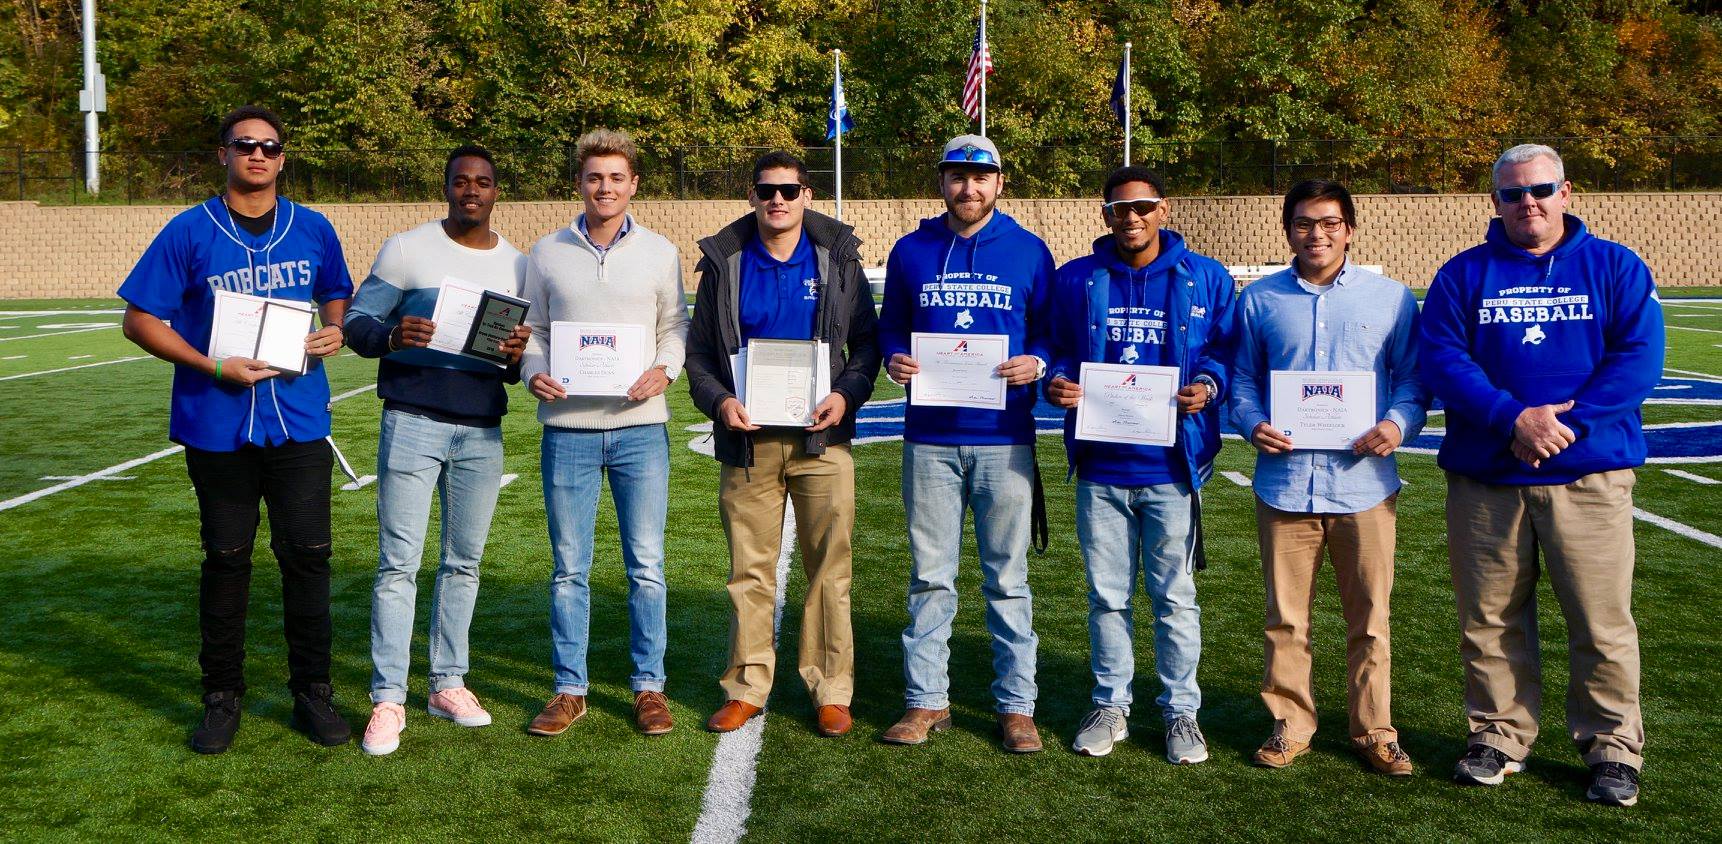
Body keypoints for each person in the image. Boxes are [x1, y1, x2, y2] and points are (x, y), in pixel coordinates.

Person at [1420, 144, 1664, 807]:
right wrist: (1511, 419)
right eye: (1512, 194)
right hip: (1486, 478)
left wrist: (1568, 425)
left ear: (1567, 192)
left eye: (1541, 190)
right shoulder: (1462, 274)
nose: (1527, 203)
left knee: (1601, 620)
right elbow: (1442, 356)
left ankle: (1613, 749)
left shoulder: (1615, 266)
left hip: (1587, 475)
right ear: (1493, 202)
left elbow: (1639, 359)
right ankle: (1498, 735)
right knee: (1489, 618)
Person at [117, 105, 354, 753]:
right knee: (226, 560)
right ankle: (222, 698)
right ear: (222, 153)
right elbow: (140, 319)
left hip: (299, 417)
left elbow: (338, 289)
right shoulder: (188, 231)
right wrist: (209, 363)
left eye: (270, 147)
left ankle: (314, 693)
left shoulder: (312, 226)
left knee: (308, 558)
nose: (258, 155)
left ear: (283, 158)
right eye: (244, 144)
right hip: (217, 421)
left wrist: (334, 326)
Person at [1228, 179, 1427, 775]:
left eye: (1330, 223)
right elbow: (1241, 380)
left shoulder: (1391, 299)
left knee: (1370, 618)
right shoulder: (1260, 300)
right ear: (1287, 229)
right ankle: (1291, 724)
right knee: (1285, 617)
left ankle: (1375, 732)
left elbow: (1414, 380)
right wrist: (1252, 422)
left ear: (1351, 228)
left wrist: (1396, 425)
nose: (1317, 234)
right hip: (1285, 484)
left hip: (1363, 485)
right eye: (1305, 223)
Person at [683, 150, 880, 737]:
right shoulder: (726, 260)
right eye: (767, 190)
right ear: (751, 196)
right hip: (749, 441)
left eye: (789, 191)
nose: (778, 200)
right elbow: (697, 356)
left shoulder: (837, 258)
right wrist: (720, 401)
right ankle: (747, 686)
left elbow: (867, 347)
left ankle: (830, 688)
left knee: (829, 569)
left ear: (807, 196)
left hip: (823, 440)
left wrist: (845, 395)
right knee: (750, 571)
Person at [344, 145, 531, 756]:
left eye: (482, 182)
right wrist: (392, 335)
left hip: (480, 428)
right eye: (460, 181)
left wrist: (514, 356)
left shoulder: (517, 266)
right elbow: (358, 324)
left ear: (496, 191)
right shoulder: (406, 248)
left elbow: (514, 363)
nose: (471, 190)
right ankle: (388, 697)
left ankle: (447, 683)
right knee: (399, 563)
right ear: (446, 188)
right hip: (412, 419)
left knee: (463, 562)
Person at [1045, 165, 1236, 763]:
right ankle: (1111, 703)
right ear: (1104, 214)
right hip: (1102, 467)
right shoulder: (1077, 277)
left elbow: (1228, 351)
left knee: (1174, 597)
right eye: (1119, 208)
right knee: (1107, 596)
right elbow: (1051, 344)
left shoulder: (1205, 277)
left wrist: (1208, 384)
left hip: (1172, 467)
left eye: (1143, 206)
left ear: (1164, 208)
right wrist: (1054, 381)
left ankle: (1182, 712)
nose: (1131, 217)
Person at [876, 135, 1054, 753]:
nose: (968, 188)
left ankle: (1016, 705)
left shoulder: (1030, 252)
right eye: (957, 177)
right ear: (942, 183)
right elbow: (891, 323)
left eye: (980, 177)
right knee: (930, 576)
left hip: (1005, 438)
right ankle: (926, 700)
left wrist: (1038, 360)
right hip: (929, 438)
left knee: (1008, 578)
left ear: (999, 183)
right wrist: (895, 356)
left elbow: (1050, 333)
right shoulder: (912, 250)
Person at [518, 129, 689, 738]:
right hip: (568, 431)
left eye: (617, 177)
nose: (605, 187)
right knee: (570, 568)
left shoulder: (661, 252)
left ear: (634, 184)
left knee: (646, 565)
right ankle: (570, 689)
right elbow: (531, 330)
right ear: (579, 183)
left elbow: (676, 326)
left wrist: (663, 371)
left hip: (641, 430)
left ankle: (649, 688)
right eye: (595, 177)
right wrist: (534, 372)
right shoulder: (544, 253)